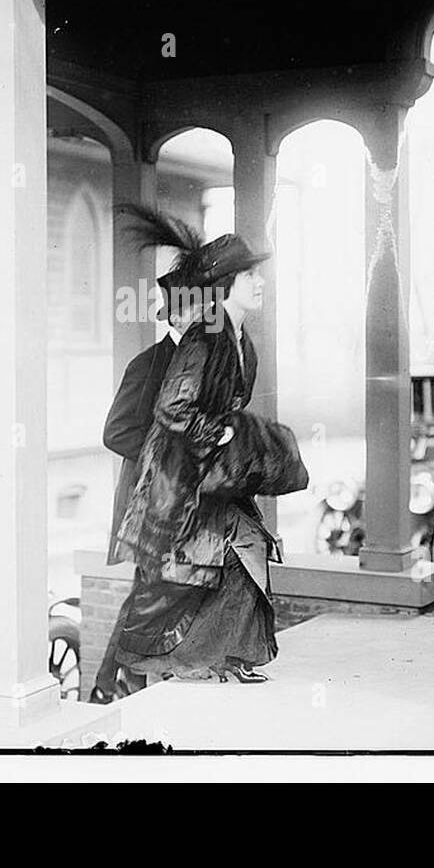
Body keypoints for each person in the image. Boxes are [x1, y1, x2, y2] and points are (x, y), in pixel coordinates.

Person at [110, 225, 285, 684]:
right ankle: (140, 677)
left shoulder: (242, 343)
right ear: (227, 286)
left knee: (244, 551)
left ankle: (229, 653)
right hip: (178, 486)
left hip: (209, 479)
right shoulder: (204, 339)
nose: (260, 282)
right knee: (175, 583)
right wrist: (219, 435)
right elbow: (172, 408)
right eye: (250, 276)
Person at [88, 260, 203, 703]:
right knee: (148, 593)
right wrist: (169, 457)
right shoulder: (149, 364)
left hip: (182, 501)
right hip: (149, 501)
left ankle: (127, 683)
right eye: (196, 310)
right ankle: (111, 686)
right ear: (175, 316)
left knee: (160, 592)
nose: (205, 319)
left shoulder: (200, 365)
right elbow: (116, 431)